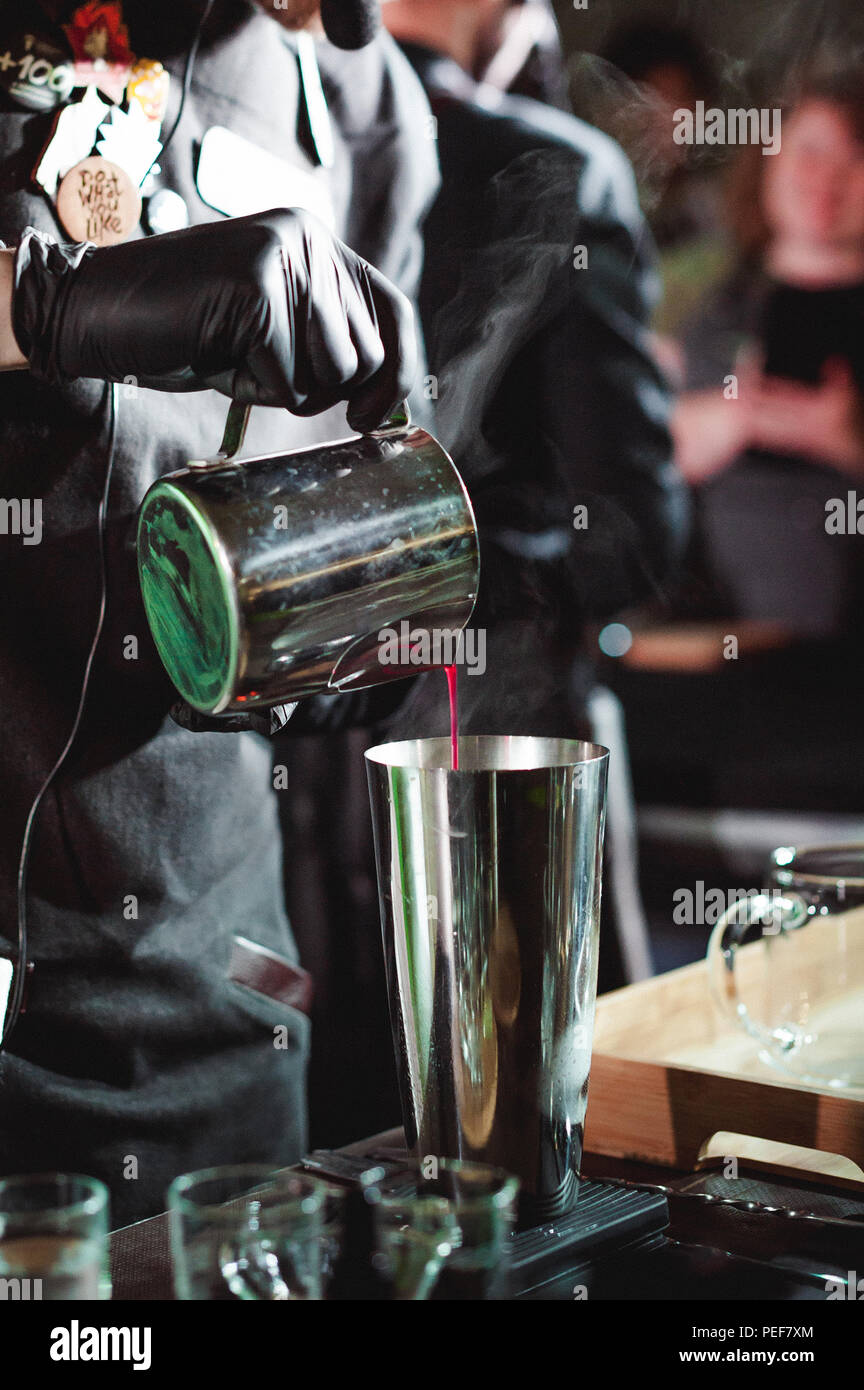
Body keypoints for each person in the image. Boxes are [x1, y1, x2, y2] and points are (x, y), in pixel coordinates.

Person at [0, 0, 438, 1224]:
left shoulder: (362, 97)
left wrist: (359, 622)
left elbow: (373, 452)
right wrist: (46, 309)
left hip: (218, 993)